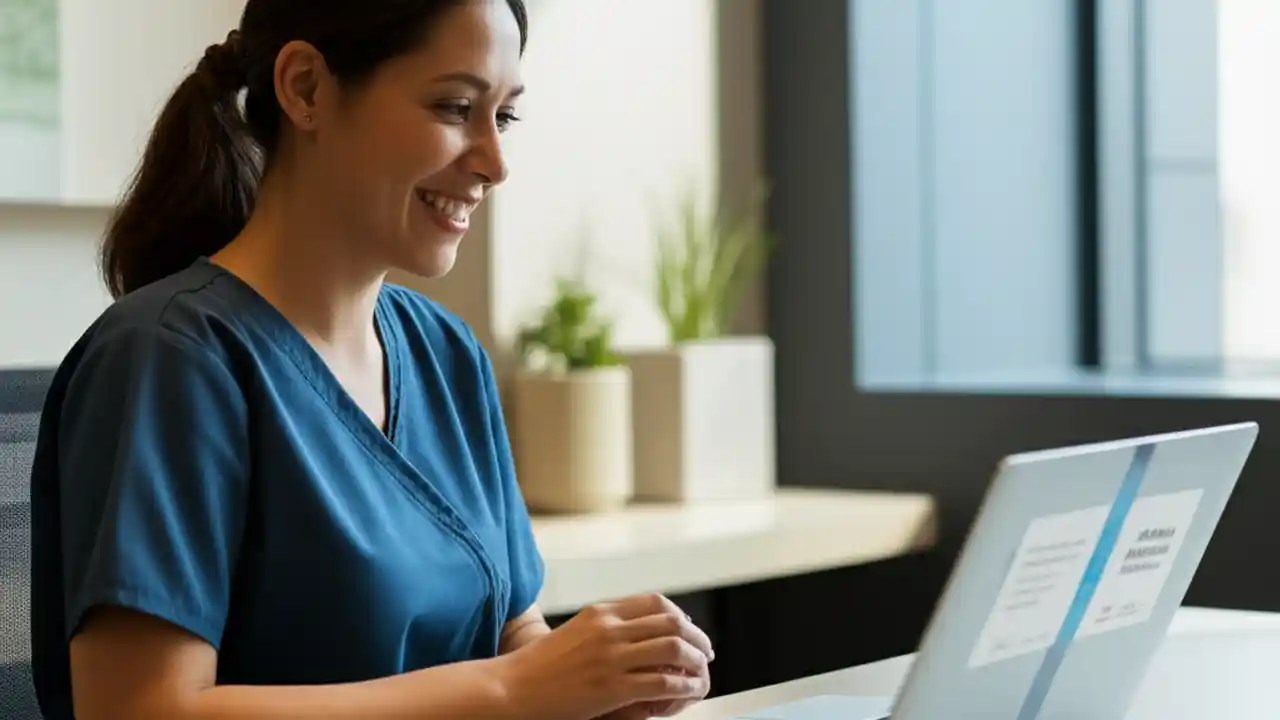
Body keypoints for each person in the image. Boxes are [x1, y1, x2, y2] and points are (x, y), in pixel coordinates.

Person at [27, 2, 714, 719]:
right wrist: (517, 692)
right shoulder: (170, 357)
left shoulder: (447, 354)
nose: (495, 161)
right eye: (455, 107)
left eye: (504, 117)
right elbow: (139, 710)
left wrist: (601, 685)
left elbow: (513, 631)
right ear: (307, 89)